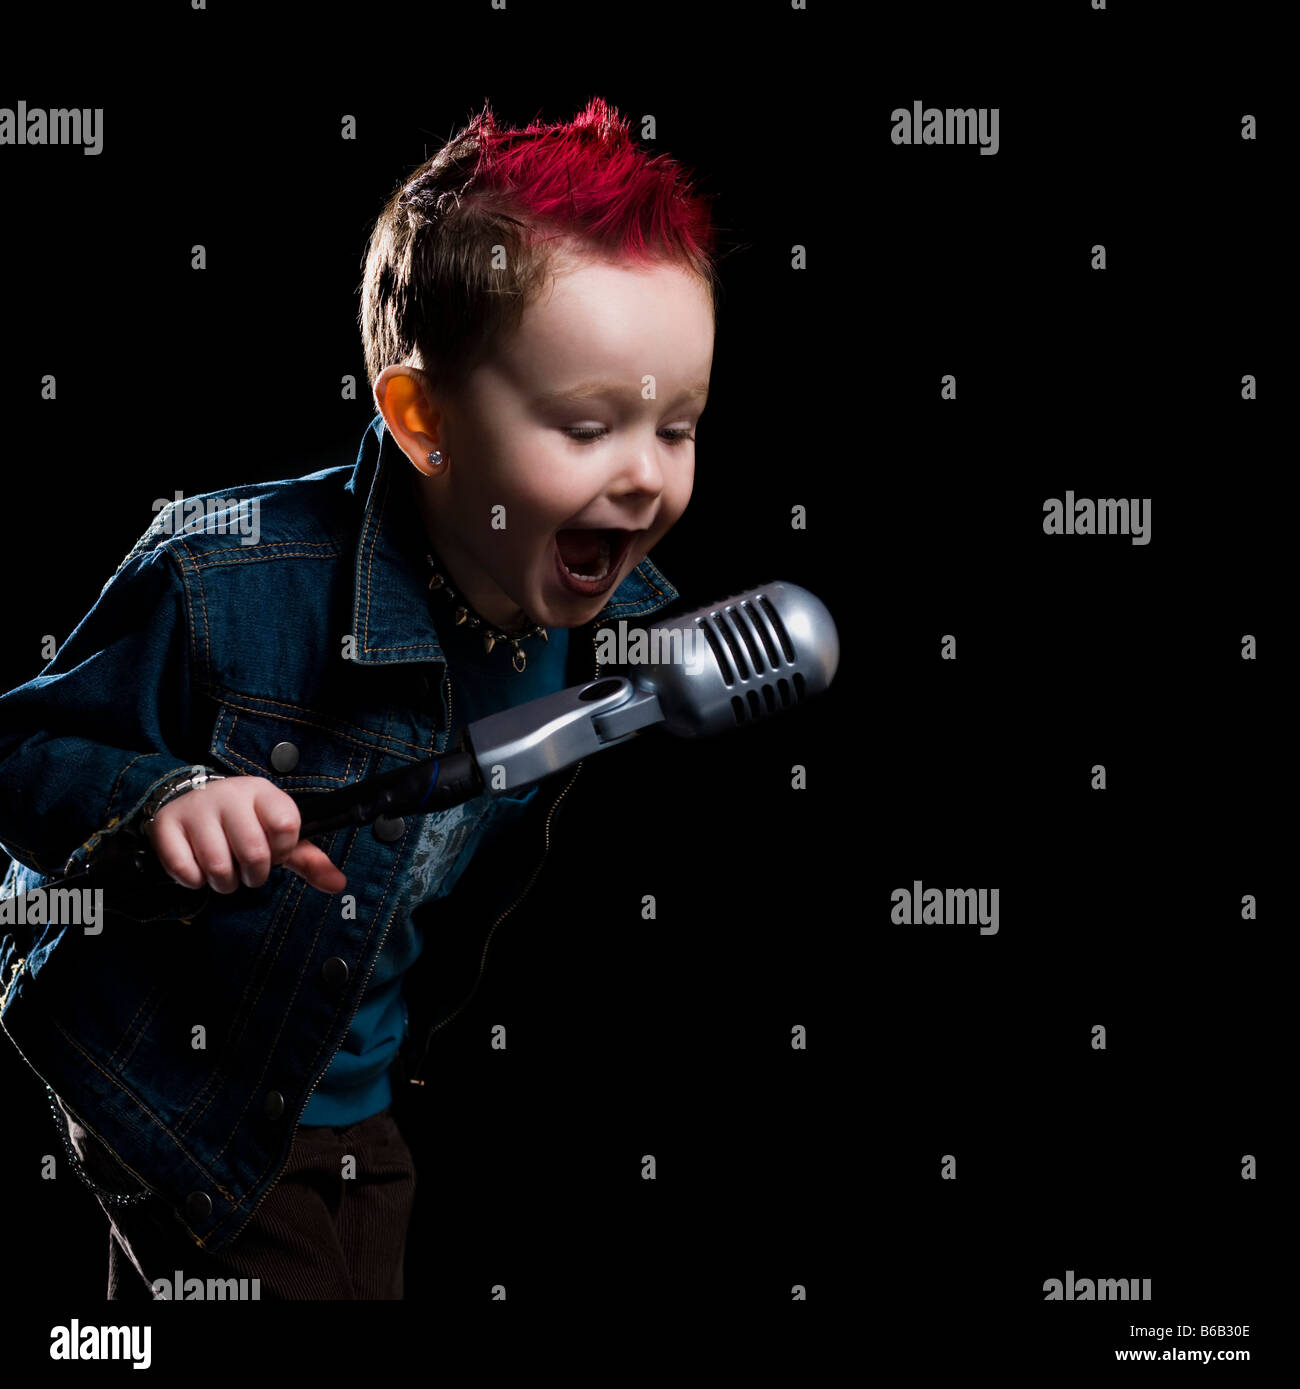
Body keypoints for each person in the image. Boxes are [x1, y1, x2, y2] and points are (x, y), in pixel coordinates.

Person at [0, 96, 720, 1299]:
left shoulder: (622, 629)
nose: (644, 476)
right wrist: (163, 799)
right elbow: (21, 753)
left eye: (680, 425)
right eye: (589, 426)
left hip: (359, 1094)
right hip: (181, 1086)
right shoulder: (228, 572)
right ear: (424, 419)